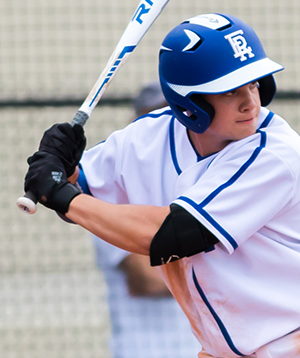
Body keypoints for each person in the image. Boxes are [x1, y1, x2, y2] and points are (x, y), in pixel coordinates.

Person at [24, 13, 300, 358]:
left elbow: (175, 235)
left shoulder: (276, 152)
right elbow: (83, 199)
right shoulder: (144, 140)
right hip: (230, 350)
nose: (250, 101)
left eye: (253, 84)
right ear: (189, 102)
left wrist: (62, 194)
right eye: (230, 90)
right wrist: (62, 171)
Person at [89, 82, 201, 358]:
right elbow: (147, 280)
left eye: (173, 118)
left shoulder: (200, 183)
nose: (163, 129)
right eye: (153, 119)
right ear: (134, 125)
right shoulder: (111, 193)